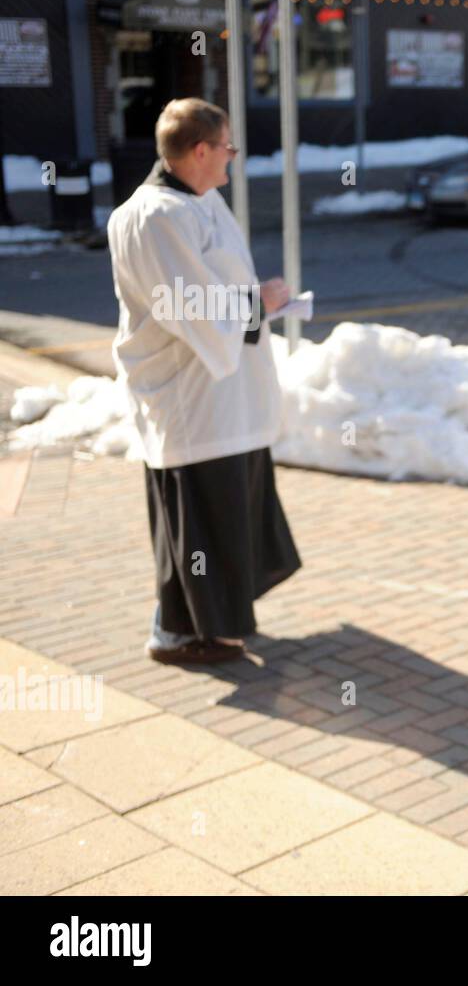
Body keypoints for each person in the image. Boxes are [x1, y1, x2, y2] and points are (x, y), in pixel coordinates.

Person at [108, 97, 300, 665]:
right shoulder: (153, 216)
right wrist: (256, 302)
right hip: (189, 400)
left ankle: (223, 617)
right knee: (198, 518)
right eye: (227, 147)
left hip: (224, 399)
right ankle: (187, 630)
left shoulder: (201, 200)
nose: (232, 158)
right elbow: (182, 304)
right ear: (199, 151)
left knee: (228, 508)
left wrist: (256, 301)